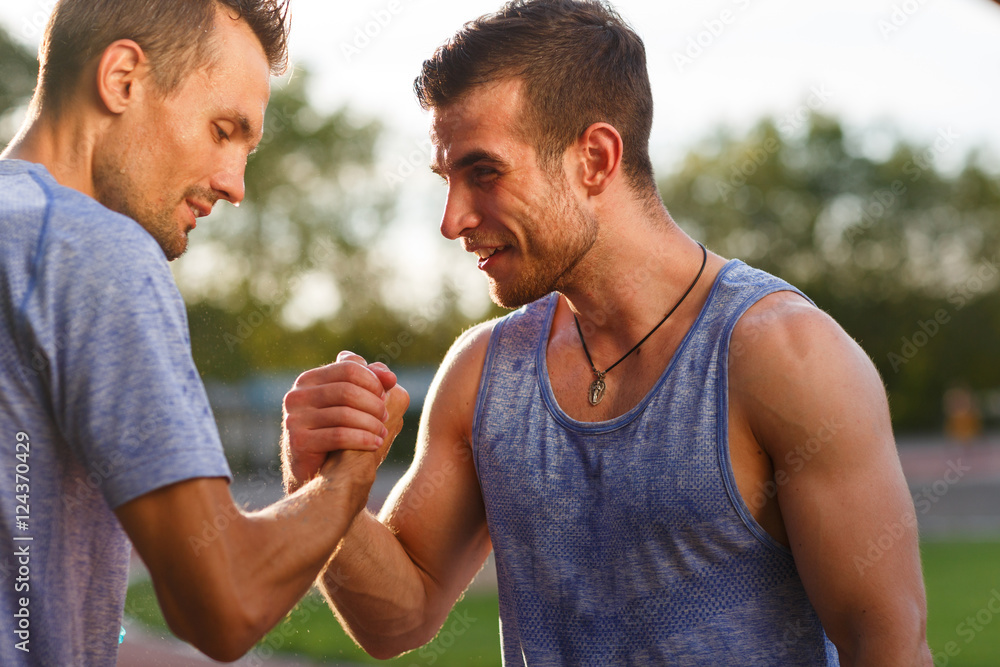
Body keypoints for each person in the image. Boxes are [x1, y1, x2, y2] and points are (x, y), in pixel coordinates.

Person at [284, 0, 931, 664]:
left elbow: (886, 646)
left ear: (594, 157)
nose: (452, 220)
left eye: (483, 173)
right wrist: (320, 486)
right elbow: (400, 617)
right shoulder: (483, 371)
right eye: (447, 179)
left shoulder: (782, 354)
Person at [0, 1, 406, 664]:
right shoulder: (97, 253)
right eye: (224, 130)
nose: (235, 184)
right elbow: (223, 602)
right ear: (123, 78)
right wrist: (348, 474)